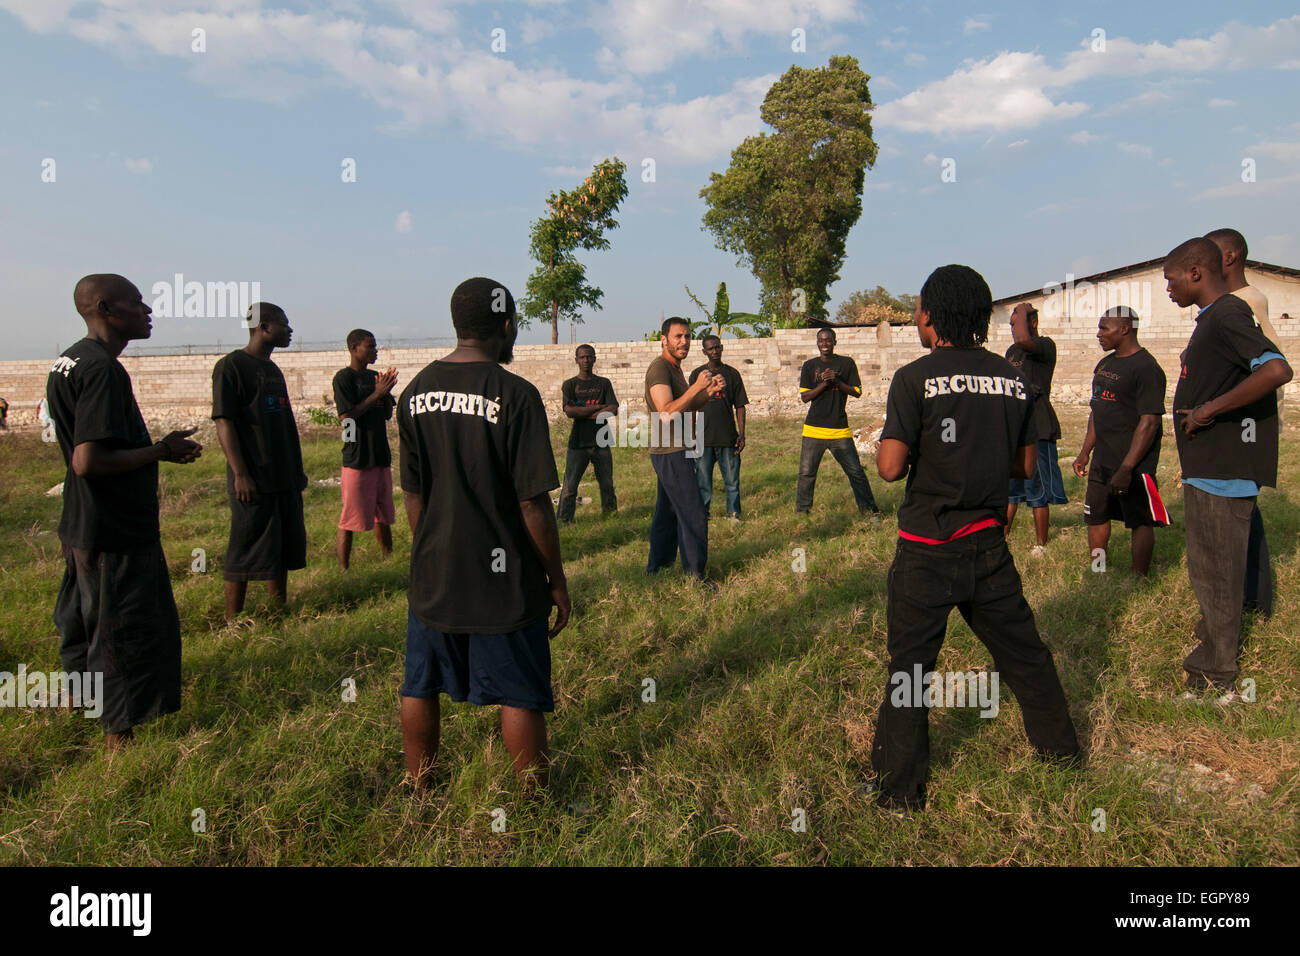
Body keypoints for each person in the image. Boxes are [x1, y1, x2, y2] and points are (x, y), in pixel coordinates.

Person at [870, 263, 1080, 813]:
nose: (916, 318)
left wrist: (888, 444)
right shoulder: (1016, 380)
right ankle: (1062, 757)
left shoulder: (914, 378)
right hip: (988, 546)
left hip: (926, 550)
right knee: (1026, 656)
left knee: (910, 670)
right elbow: (1025, 468)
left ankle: (900, 792)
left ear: (932, 317)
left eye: (918, 309)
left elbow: (891, 469)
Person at [397, 277, 569, 792]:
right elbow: (532, 503)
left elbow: (412, 493)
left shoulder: (414, 392)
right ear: (506, 324)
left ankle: (420, 789)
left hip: (435, 570)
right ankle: (533, 804)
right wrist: (554, 578)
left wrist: (430, 549)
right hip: (505, 574)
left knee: (419, 684)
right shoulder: (516, 395)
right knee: (521, 693)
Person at [46, 274, 202, 750]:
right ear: (105, 309)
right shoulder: (102, 370)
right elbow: (87, 460)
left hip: (82, 522)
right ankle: (120, 739)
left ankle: (78, 700)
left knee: (82, 619)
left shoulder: (67, 361)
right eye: (137, 303)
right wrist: (161, 451)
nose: (147, 311)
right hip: (112, 526)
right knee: (121, 627)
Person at [1165, 237, 1291, 693]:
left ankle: (1216, 672)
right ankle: (1214, 638)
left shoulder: (1229, 314)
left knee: (1216, 569)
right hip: (1208, 468)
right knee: (1209, 566)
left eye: (1171, 279)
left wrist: (1207, 410)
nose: (1168, 289)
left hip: (1224, 469)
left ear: (1196, 273)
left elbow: (1276, 369)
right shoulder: (1212, 319)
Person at [212, 303, 308, 621]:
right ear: (264, 326)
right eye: (284, 323)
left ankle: (278, 608)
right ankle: (232, 619)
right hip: (253, 476)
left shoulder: (272, 369)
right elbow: (224, 422)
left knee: (280, 543)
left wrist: (297, 470)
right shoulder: (231, 366)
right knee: (245, 543)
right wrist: (240, 473)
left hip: (283, 475)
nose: (290, 330)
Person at [1205, 228, 1277, 619]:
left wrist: (1214, 409)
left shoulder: (1241, 304)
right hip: (1234, 426)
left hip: (1239, 428)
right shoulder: (1234, 303)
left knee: (1240, 515)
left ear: (1229, 257)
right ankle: (1251, 597)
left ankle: (1252, 599)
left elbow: (1270, 369)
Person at [1072, 307, 1168, 576]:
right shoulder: (1105, 364)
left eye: (1104, 328)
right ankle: (1099, 569)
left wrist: (1127, 468)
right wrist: (1084, 453)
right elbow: (1097, 410)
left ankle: (1140, 578)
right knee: (1097, 516)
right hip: (1103, 460)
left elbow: (1149, 422)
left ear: (1124, 329)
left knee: (1140, 520)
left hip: (1134, 465)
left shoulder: (1147, 368)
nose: (1098, 334)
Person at [645, 316, 722, 585]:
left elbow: (684, 406)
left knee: (666, 514)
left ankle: (658, 568)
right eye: (678, 336)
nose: (684, 342)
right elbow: (666, 412)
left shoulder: (675, 369)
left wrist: (707, 393)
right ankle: (696, 577)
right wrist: (698, 387)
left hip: (677, 448)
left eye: (687, 336)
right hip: (670, 451)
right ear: (663, 339)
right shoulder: (659, 369)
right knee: (693, 513)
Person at [795, 328, 881, 520]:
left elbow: (857, 391)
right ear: (817, 343)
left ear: (835, 341)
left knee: (856, 472)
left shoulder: (846, 363)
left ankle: (870, 511)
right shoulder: (809, 366)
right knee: (806, 474)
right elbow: (805, 397)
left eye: (828, 340)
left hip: (839, 430)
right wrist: (824, 384)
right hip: (813, 430)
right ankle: (802, 513)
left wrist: (837, 381)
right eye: (821, 340)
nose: (824, 344)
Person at [1004, 303, 1066, 555]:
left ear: (1033, 324)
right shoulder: (1011, 352)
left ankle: (1041, 544)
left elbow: (1023, 340)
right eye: (1010, 324)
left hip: (1038, 427)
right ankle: (1003, 536)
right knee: (1010, 491)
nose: (1013, 329)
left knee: (1037, 488)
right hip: (1014, 429)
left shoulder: (1044, 346)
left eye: (1016, 323)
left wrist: (1021, 311)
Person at [332, 329, 397, 570]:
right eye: (369, 346)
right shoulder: (344, 378)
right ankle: (343, 568)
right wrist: (376, 394)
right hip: (358, 456)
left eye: (375, 346)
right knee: (350, 516)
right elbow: (347, 417)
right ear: (353, 348)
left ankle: (388, 559)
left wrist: (386, 392)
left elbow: (387, 413)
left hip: (380, 454)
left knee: (383, 513)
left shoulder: (375, 378)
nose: (374, 350)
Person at [689, 334, 748, 521]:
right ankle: (702, 515)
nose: (714, 351)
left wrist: (742, 434)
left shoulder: (732, 374)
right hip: (703, 439)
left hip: (728, 438)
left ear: (722, 348)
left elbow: (740, 406)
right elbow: (690, 405)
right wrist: (690, 434)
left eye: (717, 347)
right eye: (710, 348)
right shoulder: (697, 375)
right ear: (704, 352)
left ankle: (733, 515)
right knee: (703, 482)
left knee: (732, 481)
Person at [557, 344, 619, 523]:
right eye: (582, 357)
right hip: (578, 442)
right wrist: (599, 407)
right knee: (570, 486)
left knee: (607, 484)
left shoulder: (604, 383)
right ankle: (564, 520)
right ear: (576, 360)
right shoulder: (570, 385)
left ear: (594, 359)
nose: (586, 360)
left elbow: (613, 409)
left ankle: (611, 517)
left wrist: (584, 411)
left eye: (589, 357)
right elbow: (569, 411)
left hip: (602, 441)